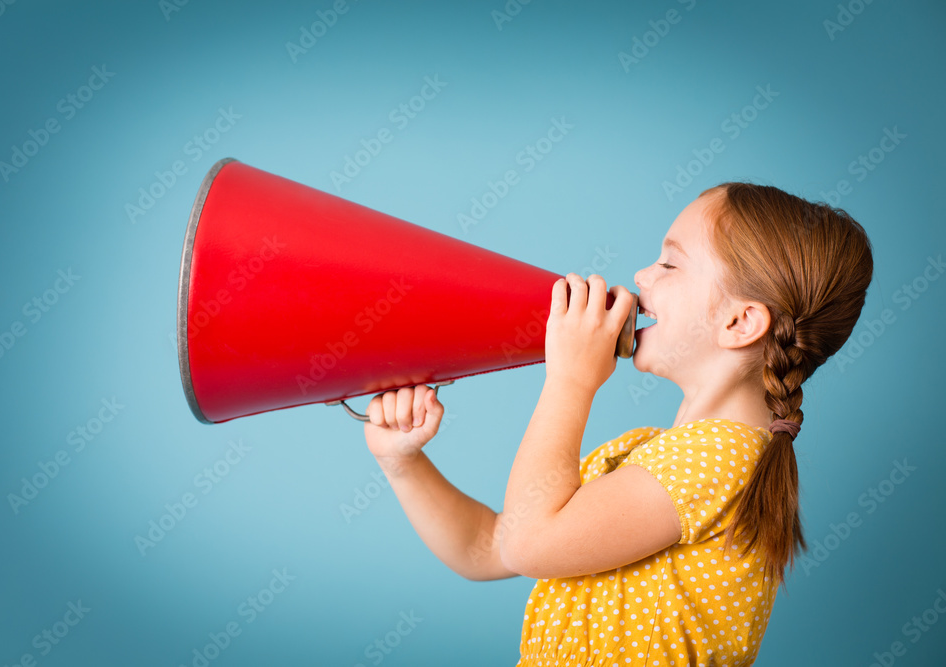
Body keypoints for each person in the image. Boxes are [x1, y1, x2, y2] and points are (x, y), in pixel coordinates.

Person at [362, 182, 874, 666]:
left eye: (670, 263)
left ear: (739, 323)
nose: (642, 276)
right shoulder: (649, 453)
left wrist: (572, 381)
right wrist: (402, 461)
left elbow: (527, 543)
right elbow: (492, 547)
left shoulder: (719, 460)